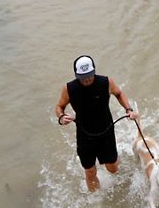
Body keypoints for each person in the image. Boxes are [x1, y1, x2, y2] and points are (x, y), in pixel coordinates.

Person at [54, 55, 137, 193]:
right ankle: (96, 199)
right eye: (83, 77)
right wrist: (61, 117)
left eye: (89, 75)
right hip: (84, 135)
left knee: (112, 169)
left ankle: (116, 158)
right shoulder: (69, 89)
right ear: (76, 75)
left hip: (106, 131)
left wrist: (128, 109)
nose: (87, 79)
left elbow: (119, 93)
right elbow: (59, 106)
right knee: (90, 172)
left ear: (94, 71)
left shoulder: (106, 82)